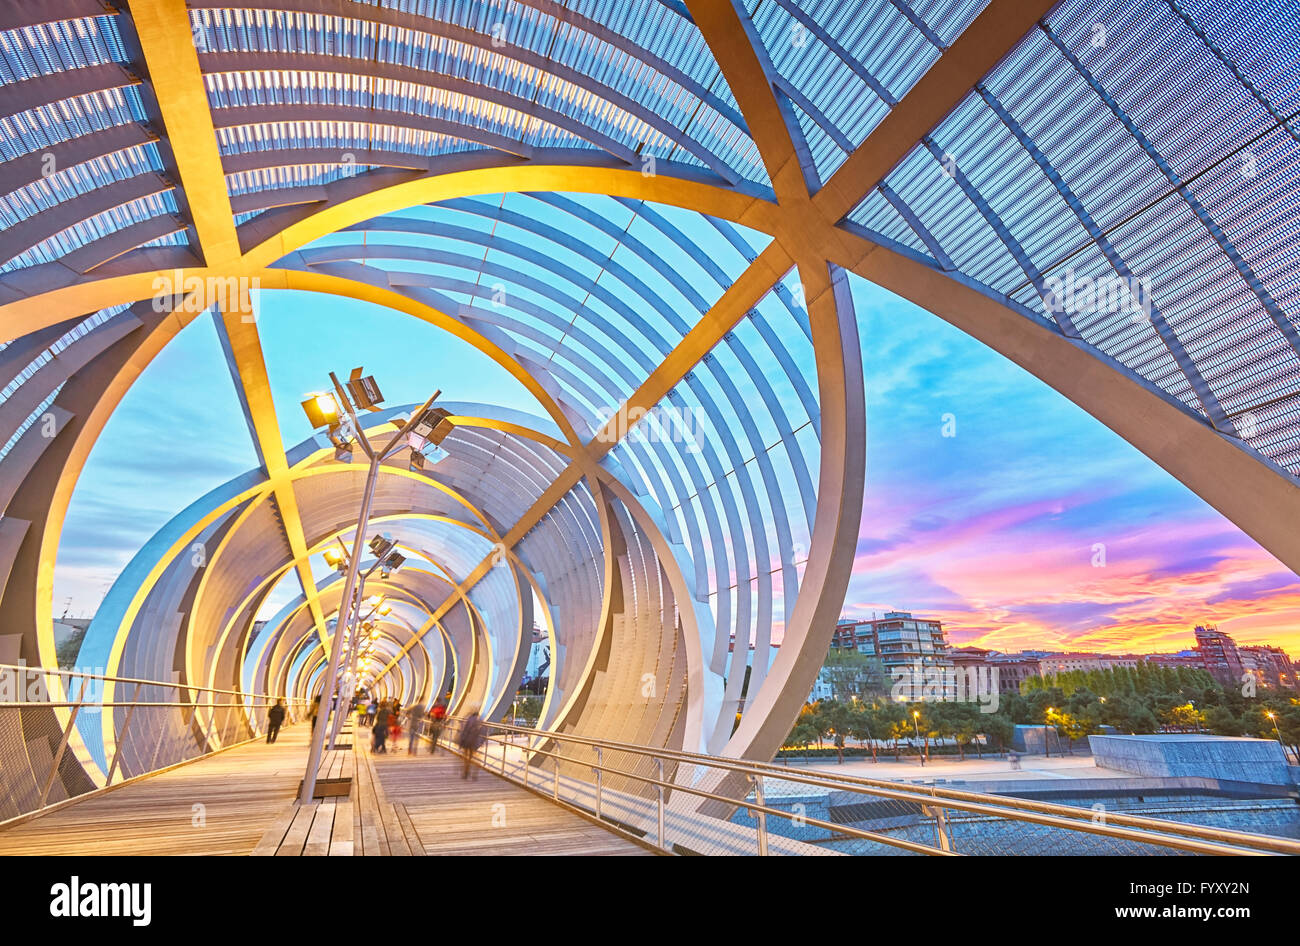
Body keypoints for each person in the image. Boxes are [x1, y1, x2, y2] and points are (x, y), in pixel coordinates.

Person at [457, 709, 485, 780]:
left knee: (466, 757)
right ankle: (474, 774)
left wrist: (461, 741)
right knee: (473, 757)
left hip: (467, 741)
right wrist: (481, 742)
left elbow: (464, 731)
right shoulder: (479, 721)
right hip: (474, 742)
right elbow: (483, 731)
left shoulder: (469, 720)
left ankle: (466, 773)